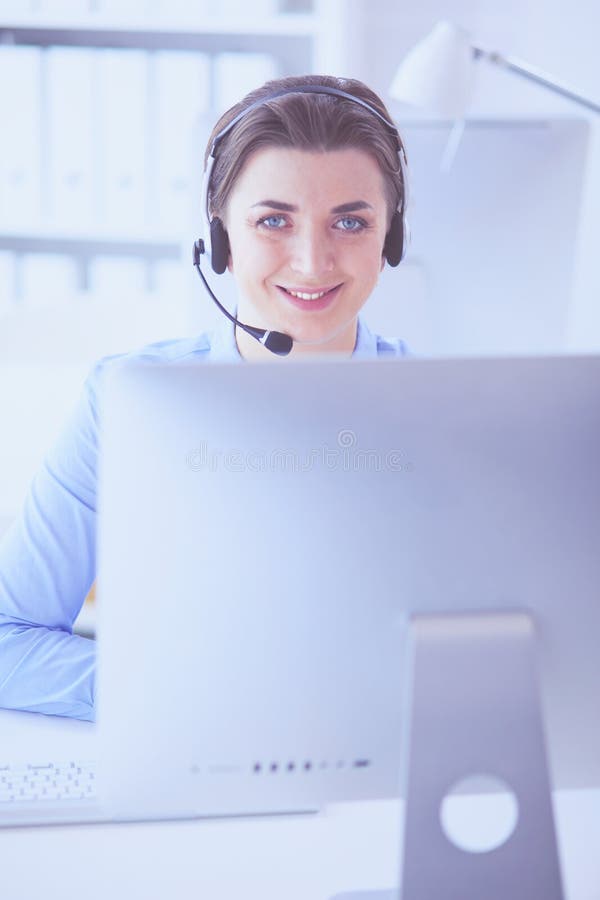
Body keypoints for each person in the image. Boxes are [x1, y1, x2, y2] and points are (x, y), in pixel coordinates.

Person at [0, 73, 410, 722]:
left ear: (391, 237)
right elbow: (7, 637)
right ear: (219, 235)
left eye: (351, 222)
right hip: (188, 769)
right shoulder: (129, 401)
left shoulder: (450, 412)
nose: (312, 261)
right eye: (274, 219)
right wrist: (177, 694)